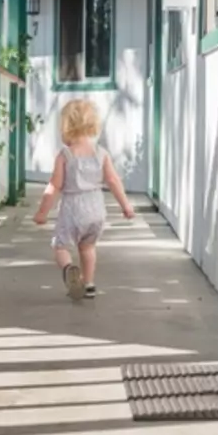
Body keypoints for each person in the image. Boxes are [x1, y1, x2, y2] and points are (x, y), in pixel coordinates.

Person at [32, 98, 136, 299]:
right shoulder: (101, 153)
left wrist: (42, 212)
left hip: (73, 208)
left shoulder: (65, 155)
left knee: (60, 246)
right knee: (87, 247)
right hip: (96, 208)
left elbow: (55, 185)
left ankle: (69, 269)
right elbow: (113, 181)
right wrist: (126, 206)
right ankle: (88, 284)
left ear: (65, 127)